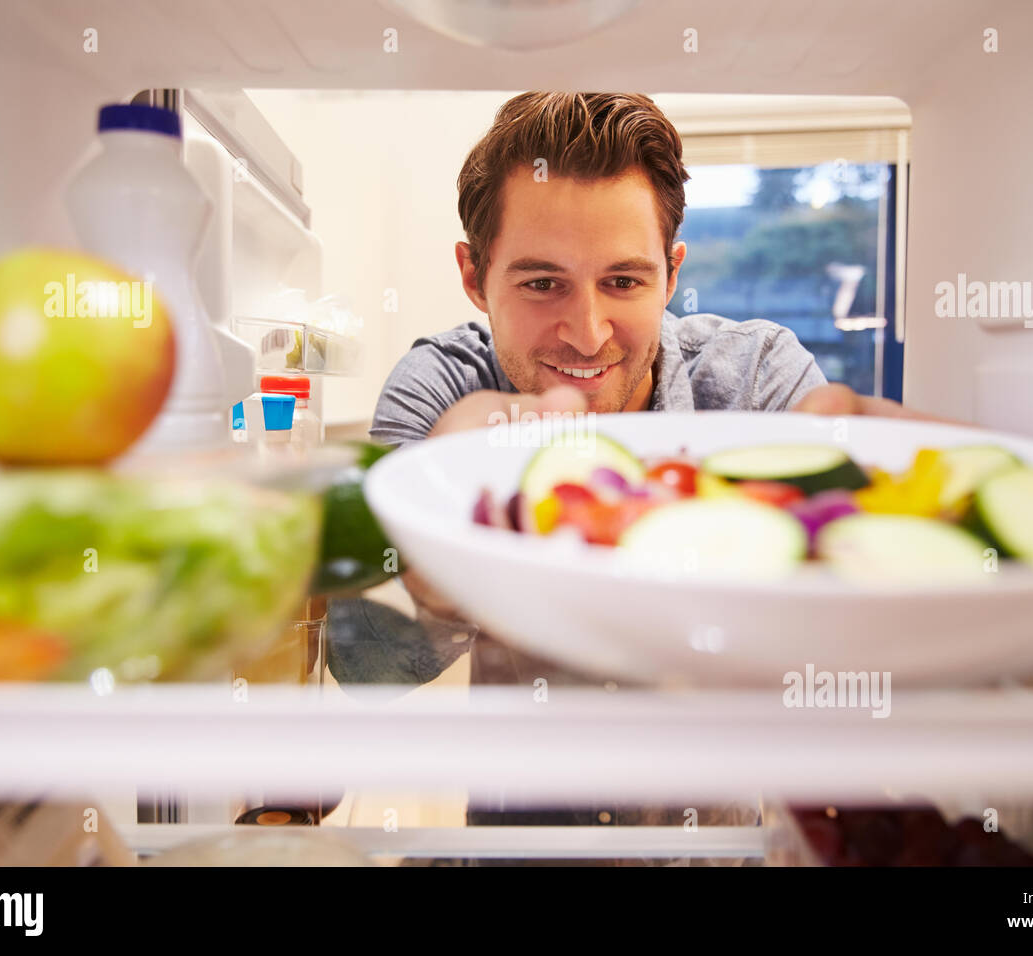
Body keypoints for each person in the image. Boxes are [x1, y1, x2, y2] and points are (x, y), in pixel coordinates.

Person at [365, 92, 936, 863]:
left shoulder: (756, 378)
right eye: (542, 283)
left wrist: (898, 528)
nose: (588, 332)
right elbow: (367, 665)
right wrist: (439, 550)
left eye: (624, 282)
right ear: (475, 275)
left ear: (671, 273)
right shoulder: (442, 393)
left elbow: (847, 637)